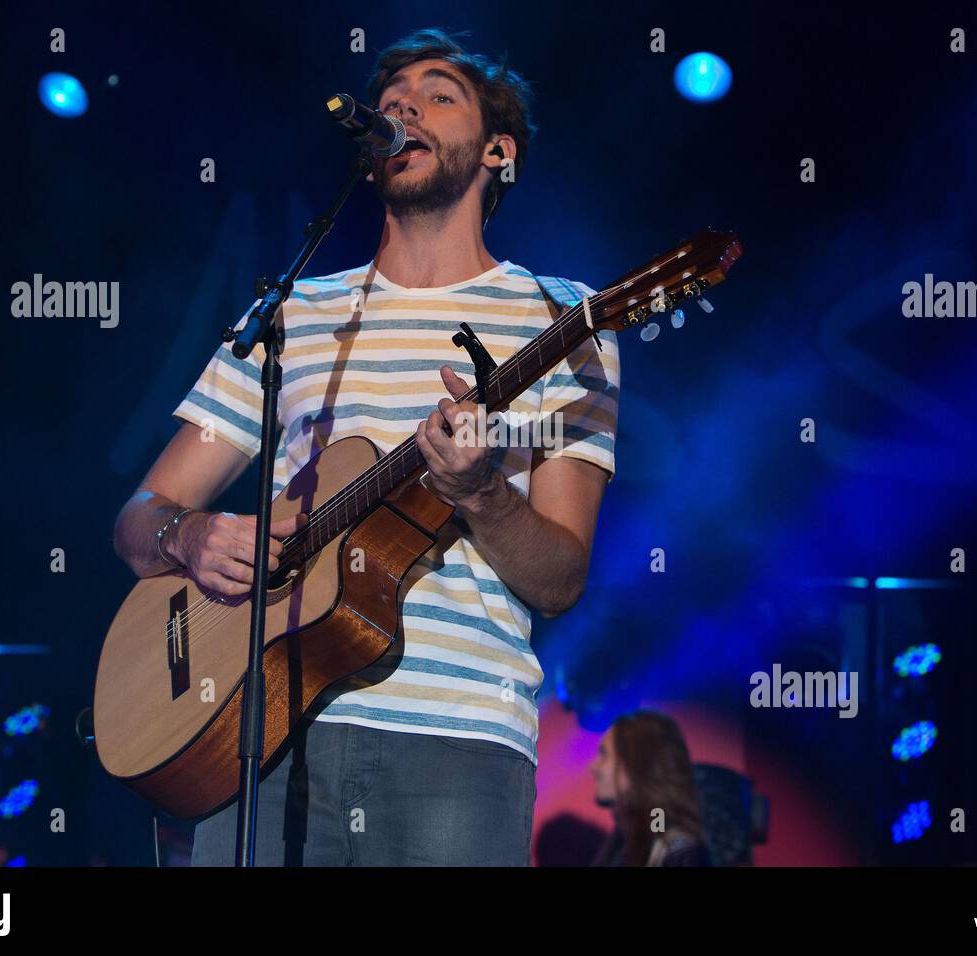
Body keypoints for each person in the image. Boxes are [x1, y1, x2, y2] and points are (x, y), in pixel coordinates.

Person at [112, 28, 620, 866]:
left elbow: (560, 579)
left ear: (499, 150)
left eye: (437, 94)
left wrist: (483, 492)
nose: (403, 108)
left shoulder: (567, 321)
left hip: (459, 744)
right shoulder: (290, 315)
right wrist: (187, 537)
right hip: (263, 727)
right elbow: (139, 519)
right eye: (390, 103)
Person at [588, 710, 714, 866]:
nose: (593, 767)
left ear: (635, 765)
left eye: (604, 754)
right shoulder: (621, 842)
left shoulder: (677, 851)